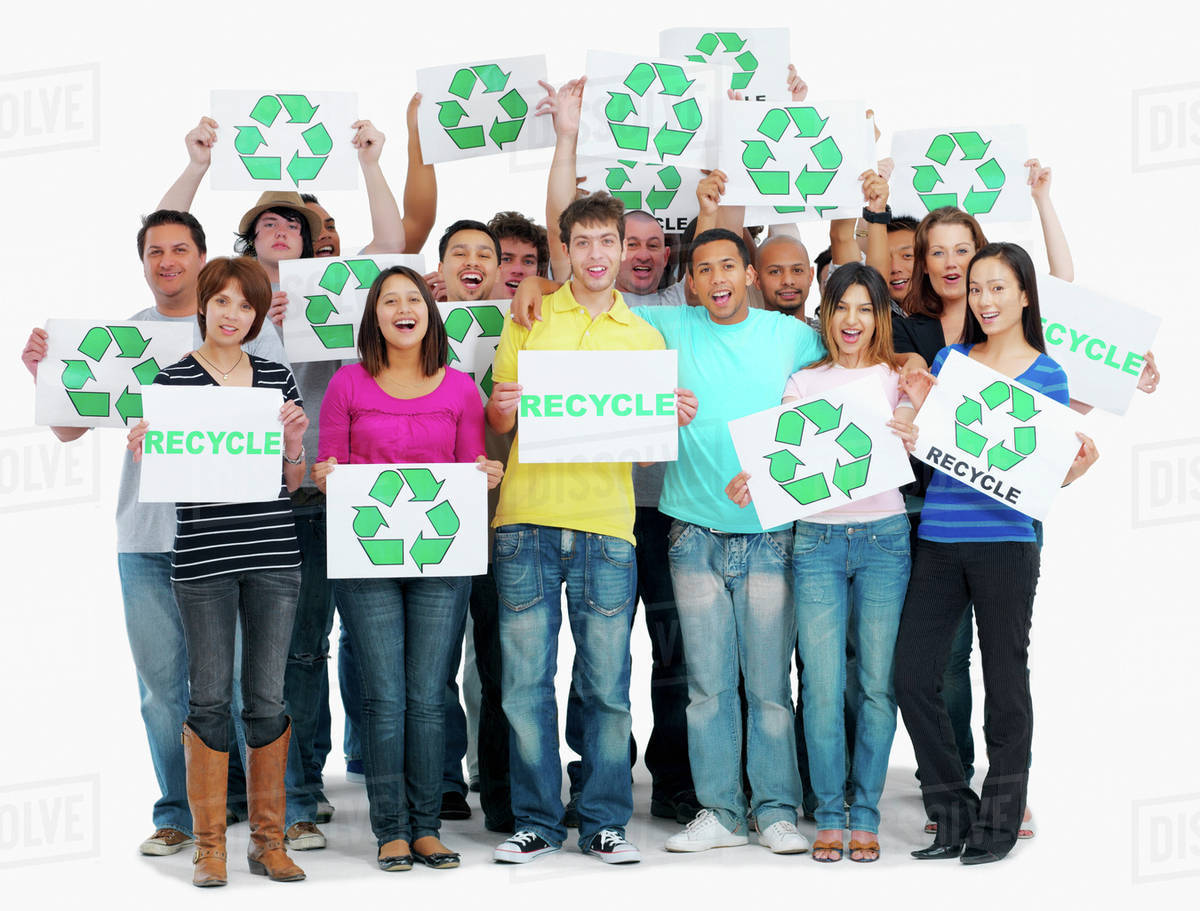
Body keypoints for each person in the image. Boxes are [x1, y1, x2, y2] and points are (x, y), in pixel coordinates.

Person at [159, 109, 425, 829]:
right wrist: (198, 164)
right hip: (265, 501)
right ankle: (298, 797)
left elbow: (393, 246)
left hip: (339, 487)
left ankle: (344, 779)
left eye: (294, 225)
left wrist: (371, 159)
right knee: (296, 652)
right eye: (269, 225)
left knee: (350, 645)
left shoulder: (334, 291)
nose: (282, 231)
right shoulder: (230, 302)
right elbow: (170, 247)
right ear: (250, 241)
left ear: (313, 241)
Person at [20, 211, 291, 857]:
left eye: (179, 248)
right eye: (154, 251)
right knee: (163, 684)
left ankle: (239, 813)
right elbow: (69, 426)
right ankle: (180, 812)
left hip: (228, 536)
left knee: (232, 684)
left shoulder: (250, 330)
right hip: (145, 534)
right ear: (143, 263)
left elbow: (277, 430)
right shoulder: (129, 335)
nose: (166, 260)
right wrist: (48, 376)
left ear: (203, 258)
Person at [486, 193, 689, 865]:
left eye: (611, 241)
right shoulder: (533, 316)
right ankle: (538, 820)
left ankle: (604, 818)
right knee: (524, 684)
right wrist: (501, 405)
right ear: (565, 250)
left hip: (607, 527)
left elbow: (647, 454)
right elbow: (501, 423)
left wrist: (667, 421)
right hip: (526, 522)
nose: (600, 254)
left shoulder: (644, 335)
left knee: (606, 684)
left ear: (623, 250)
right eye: (586, 242)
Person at [616, 228, 826, 855]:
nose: (716, 278)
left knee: (767, 686)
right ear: (693, 281)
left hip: (769, 535)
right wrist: (531, 297)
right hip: (692, 534)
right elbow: (593, 305)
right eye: (703, 269)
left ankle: (776, 809)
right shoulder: (674, 326)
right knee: (706, 686)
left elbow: (845, 382)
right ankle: (721, 812)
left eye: (728, 265)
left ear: (750, 274)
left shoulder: (791, 336)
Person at [895, 242, 1099, 864]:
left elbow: (1044, 472)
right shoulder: (952, 361)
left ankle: (1002, 817)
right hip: (940, 537)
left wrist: (1076, 470)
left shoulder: (1048, 376)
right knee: (910, 674)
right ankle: (952, 807)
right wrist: (913, 420)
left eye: (998, 288)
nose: (984, 300)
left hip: (1007, 543)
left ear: (1025, 296)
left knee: (1005, 680)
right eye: (977, 289)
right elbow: (930, 446)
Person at [311, 265, 503, 872]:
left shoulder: (458, 389)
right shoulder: (347, 384)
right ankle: (390, 828)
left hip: (440, 559)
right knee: (384, 693)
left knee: (426, 695)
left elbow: (470, 463)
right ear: (373, 316)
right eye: (389, 300)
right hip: (365, 560)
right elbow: (328, 463)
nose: (402, 308)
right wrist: (324, 475)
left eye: (412, 298)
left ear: (429, 311)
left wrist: (485, 474)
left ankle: (426, 827)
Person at [126, 256, 310, 886]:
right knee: (207, 697)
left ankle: (268, 839)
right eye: (223, 301)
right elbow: (168, 485)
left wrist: (293, 447)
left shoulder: (275, 378)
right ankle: (210, 847)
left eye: (246, 305)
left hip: (273, 557)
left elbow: (291, 482)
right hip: (203, 559)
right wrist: (150, 450)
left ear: (258, 315)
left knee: (266, 696)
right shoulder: (170, 383)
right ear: (205, 303)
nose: (234, 314)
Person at [726, 263, 918, 862]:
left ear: (880, 316)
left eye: (866, 309)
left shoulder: (899, 377)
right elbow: (780, 457)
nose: (853, 321)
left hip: (886, 537)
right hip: (816, 543)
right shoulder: (804, 382)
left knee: (877, 685)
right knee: (825, 683)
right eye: (842, 308)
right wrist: (751, 481)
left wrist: (915, 419)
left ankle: (867, 813)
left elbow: (935, 426)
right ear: (825, 316)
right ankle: (829, 812)